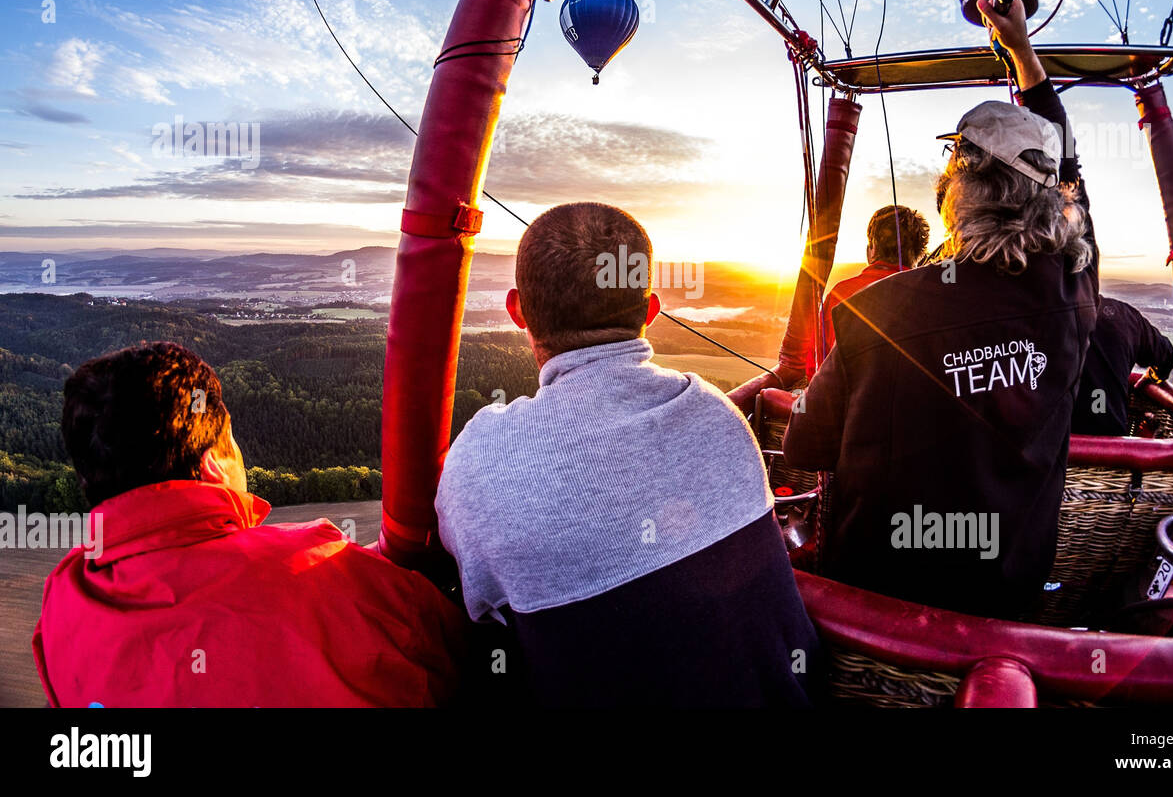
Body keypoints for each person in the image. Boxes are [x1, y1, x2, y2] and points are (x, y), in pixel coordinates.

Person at [784, 0, 1098, 620]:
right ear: (1051, 197)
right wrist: (1023, 53)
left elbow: (804, 447)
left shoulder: (878, 311)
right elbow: (1076, 185)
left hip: (878, 607)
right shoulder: (1070, 294)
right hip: (1007, 600)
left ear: (954, 189)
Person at [436, 202, 819, 706]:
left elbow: (480, 600)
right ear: (650, 311)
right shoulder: (715, 413)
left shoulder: (481, 460)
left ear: (517, 311)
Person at [34, 341, 466, 707]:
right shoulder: (320, 571)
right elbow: (454, 661)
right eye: (233, 441)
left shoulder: (61, 605)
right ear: (213, 466)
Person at [807, 205, 930, 378]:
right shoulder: (930, 298)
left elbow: (816, 368)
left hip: (851, 402)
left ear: (871, 247)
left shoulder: (839, 295)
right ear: (919, 254)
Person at [1072, 295, 1173, 435]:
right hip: (1111, 443)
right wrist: (1152, 377)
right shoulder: (1125, 317)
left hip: (1049, 446)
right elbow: (1166, 356)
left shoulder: (1039, 317)